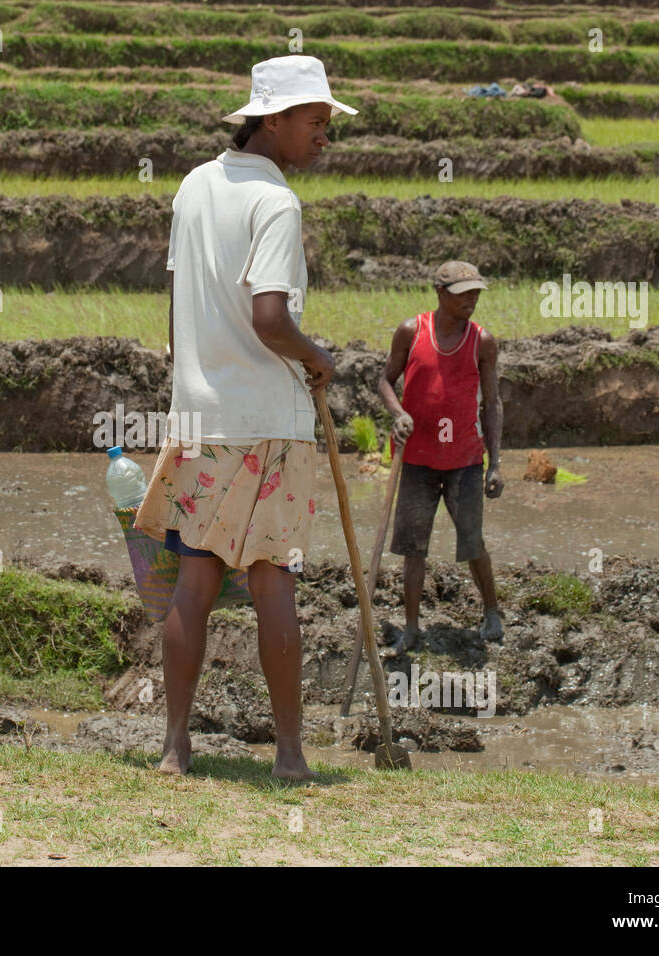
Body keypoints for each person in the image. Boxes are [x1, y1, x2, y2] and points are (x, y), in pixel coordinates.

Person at [134, 55, 354, 779]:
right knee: (274, 587)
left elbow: (177, 311)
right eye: (315, 123)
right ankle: (290, 754)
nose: (323, 136)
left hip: (198, 417)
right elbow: (269, 318)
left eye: (326, 124)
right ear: (272, 119)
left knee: (192, 585)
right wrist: (318, 358)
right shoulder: (277, 202)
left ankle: (174, 747)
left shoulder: (195, 187)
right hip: (266, 423)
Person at [378, 261, 505, 654]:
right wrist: (399, 414)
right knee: (413, 547)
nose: (472, 299)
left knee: (472, 541)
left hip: (465, 459)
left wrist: (495, 463)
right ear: (440, 293)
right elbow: (384, 380)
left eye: (476, 293)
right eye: (464, 293)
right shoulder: (411, 332)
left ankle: (492, 611)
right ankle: (412, 628)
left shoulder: (482, 341)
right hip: (417, 457)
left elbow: (492, 403)